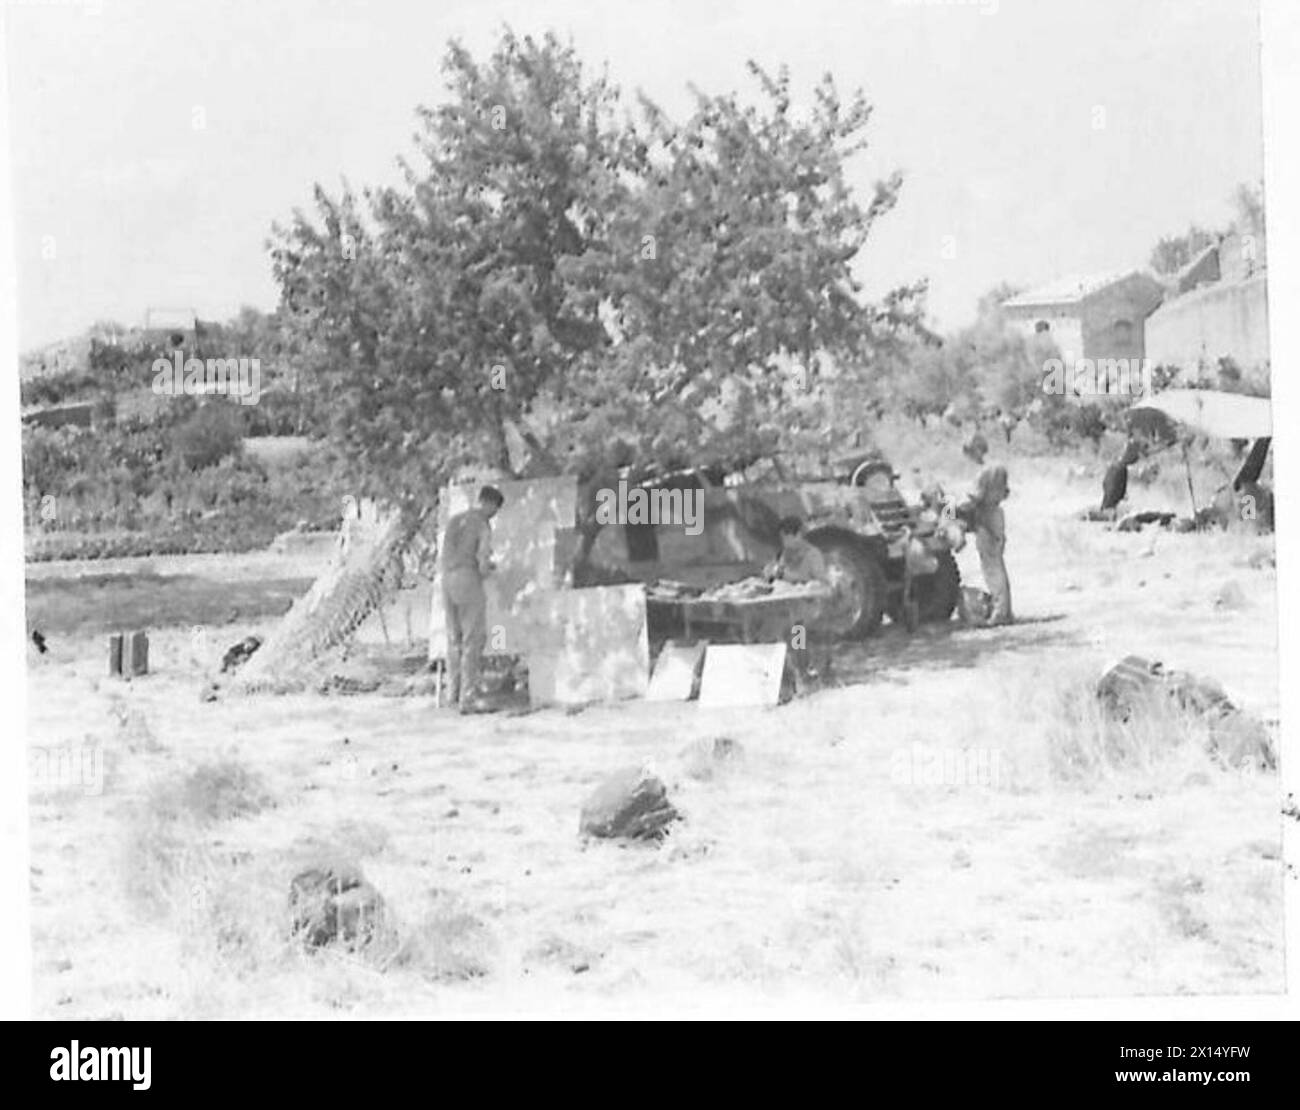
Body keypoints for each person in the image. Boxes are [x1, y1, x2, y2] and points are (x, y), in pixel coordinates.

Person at [440, 485, 504, 709]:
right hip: (468, 580)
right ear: (490, 504)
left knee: (453, 638)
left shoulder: (455, 520)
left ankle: (452, 693)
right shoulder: (482, 524)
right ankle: (468, 697)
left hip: (446, 579)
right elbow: (482, 561)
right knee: (473, 638)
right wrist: (490, 570)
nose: (494, 514)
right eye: (495, 509)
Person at [958, 465, 1012, 626]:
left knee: (993, 570)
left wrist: (950, 507)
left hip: (988, 524)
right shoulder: (994, 470)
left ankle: (1000, 613)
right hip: (993, 521)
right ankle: (1004, 611)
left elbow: (975, 497)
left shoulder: (987, 473)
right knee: (996, 568)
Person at [766, 516, 828, 585]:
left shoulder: (813, 554)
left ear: (798, 535)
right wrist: (770, 574)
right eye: (782, 538)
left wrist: (790, 577)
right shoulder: (783, 554)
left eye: (787, 538)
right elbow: (775, 576)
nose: (784, 542)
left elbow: (822, 583)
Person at [1100, 439, 1142, 512]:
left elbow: (1105, 484)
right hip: (1111, 502)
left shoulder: (1115, 467)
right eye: (1135, 457)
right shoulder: (1119, 469)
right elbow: (1111, 488)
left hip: (1110, 501)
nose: (1136, 460)